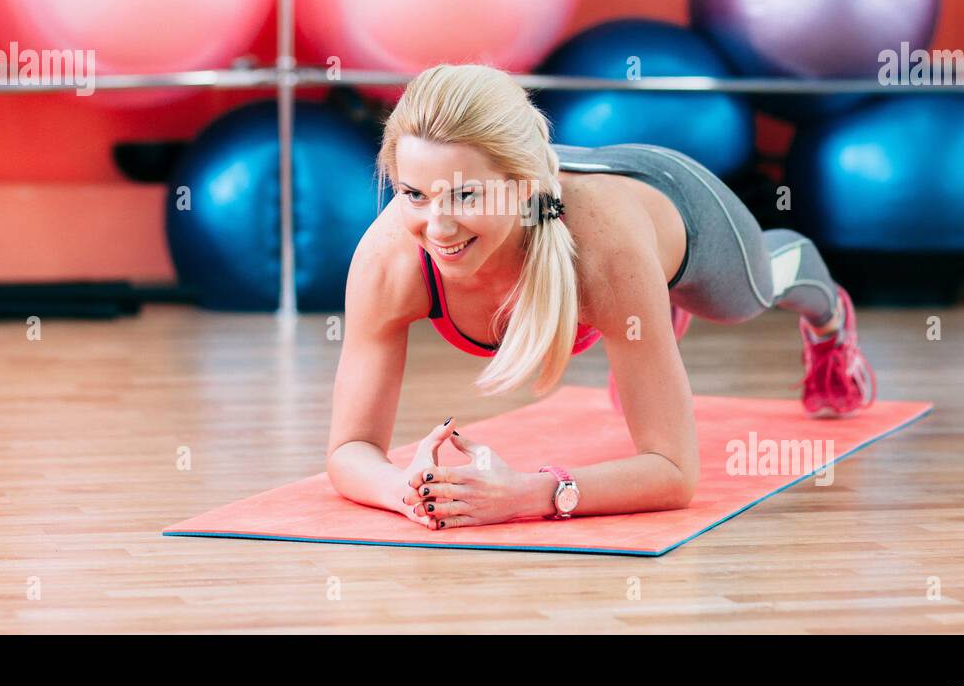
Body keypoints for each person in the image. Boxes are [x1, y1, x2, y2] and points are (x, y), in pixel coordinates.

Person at [326, 64, 875, 531]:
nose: (438, 227)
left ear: (522, 187)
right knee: (635, 321)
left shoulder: (606, 255)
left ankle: (827, 316)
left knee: (748, 295)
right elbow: (349, 451)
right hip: (579, 222)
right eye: (413, 194)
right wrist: (403, 488)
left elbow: (673, 472)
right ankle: (649, 321)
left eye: (466, 195)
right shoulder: (387, 262)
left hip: (668, 199)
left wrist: (525, 494)